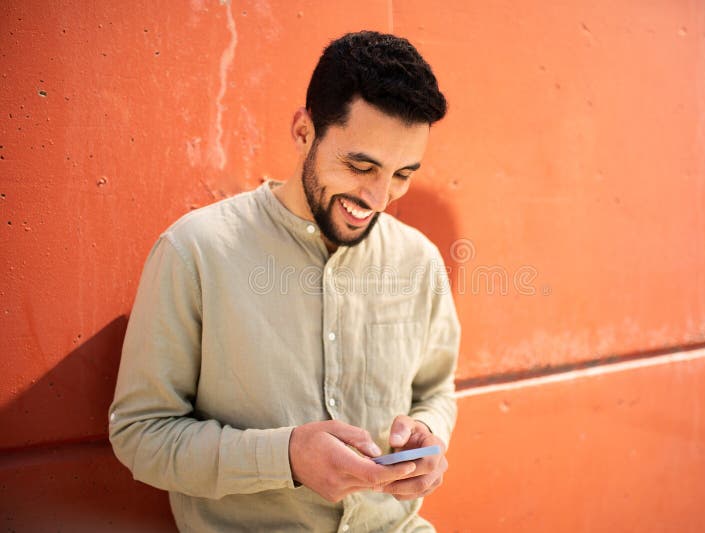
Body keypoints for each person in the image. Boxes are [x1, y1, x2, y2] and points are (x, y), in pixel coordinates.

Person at [108, 30, 460, 532]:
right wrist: (287, 457)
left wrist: (427, 433)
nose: (380, 198)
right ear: (303, 132)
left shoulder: (418, 259)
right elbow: (141, 435)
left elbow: (436, 391)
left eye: (402, 174)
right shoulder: (195, 252)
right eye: (361, 165)